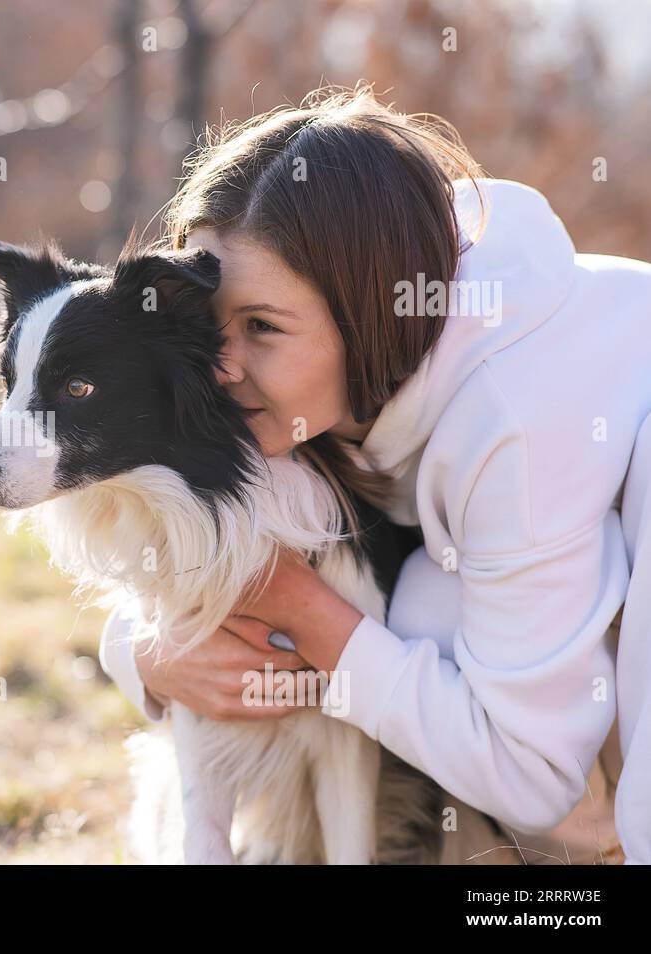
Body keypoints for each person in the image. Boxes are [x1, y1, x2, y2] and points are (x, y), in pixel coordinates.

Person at [98, 86, 650, 864]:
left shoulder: (517, 420)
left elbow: (537, 778)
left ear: (370, 314)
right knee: (419, 596)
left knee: (424, 604)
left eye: (261, 327)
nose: (220, 367)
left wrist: (312, 616)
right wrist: (145, 652)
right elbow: (194, 540)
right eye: (207, 323)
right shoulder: (334, 369)